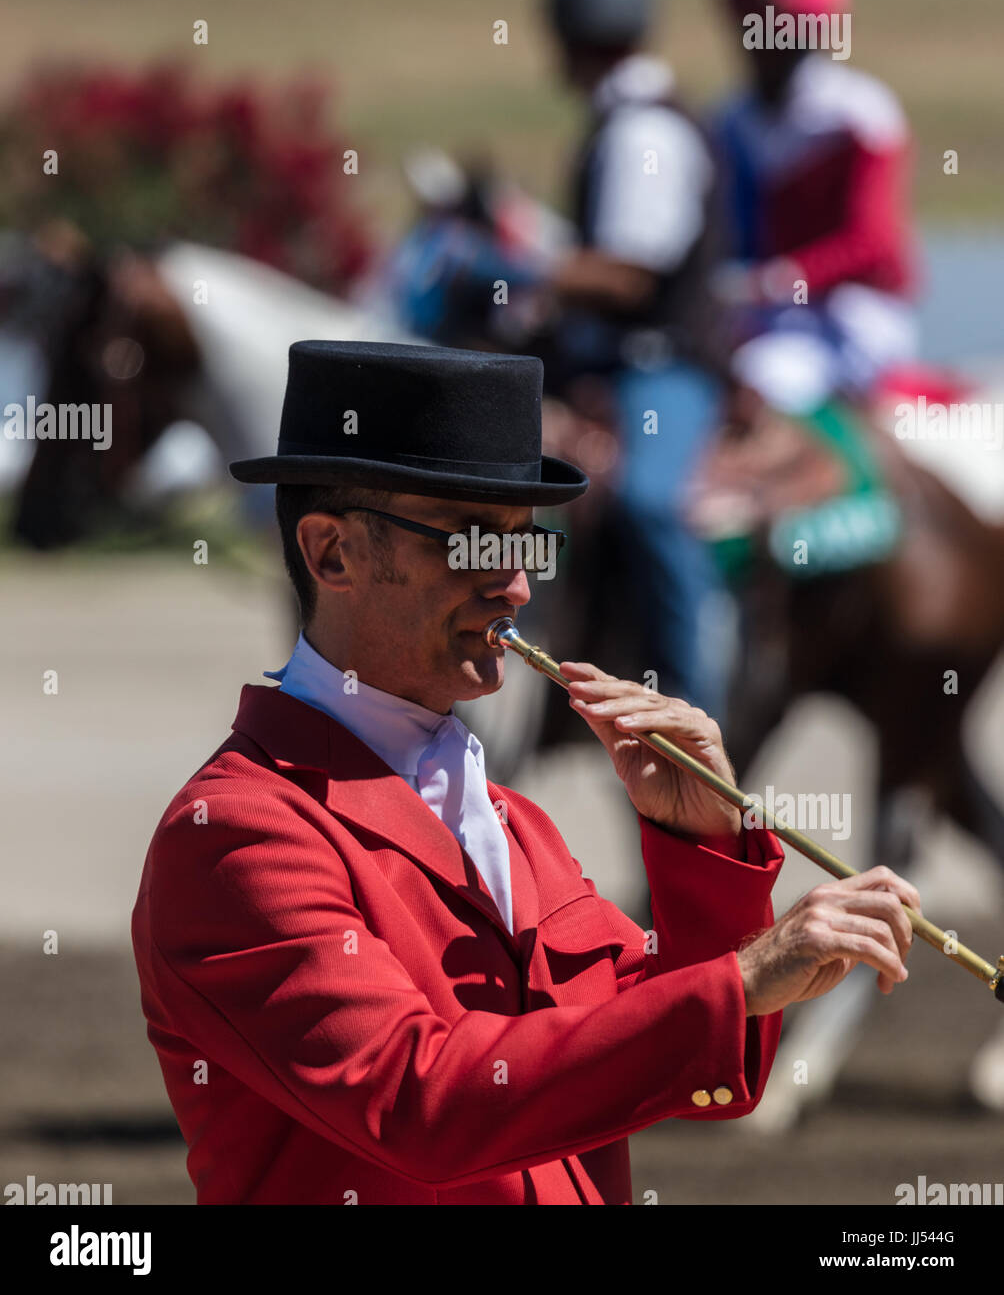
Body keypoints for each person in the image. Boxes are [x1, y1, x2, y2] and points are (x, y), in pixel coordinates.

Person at [131, 339, 921, 1205]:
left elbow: (694, 1077)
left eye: (525, 544)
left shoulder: (517, 824)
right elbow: (420, 1105)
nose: (514, 587)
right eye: (471, 542)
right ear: (333, 556)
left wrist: (703, 851)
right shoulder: (243, 834)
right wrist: (745, 978)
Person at [538, 0, 732, 717]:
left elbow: (629, 272)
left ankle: (692, 696)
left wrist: (527, 267)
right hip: (604, 363)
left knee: (650, 499)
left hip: (662, 370)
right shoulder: (625, 119)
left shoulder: (644, 132)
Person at [711, 0, 920, 417]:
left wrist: (777, 280)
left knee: (760, 383)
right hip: (758, 312)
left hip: (852, 315)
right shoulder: (729, 120)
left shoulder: (859, 115)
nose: (750, 40)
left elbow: (873, 243)